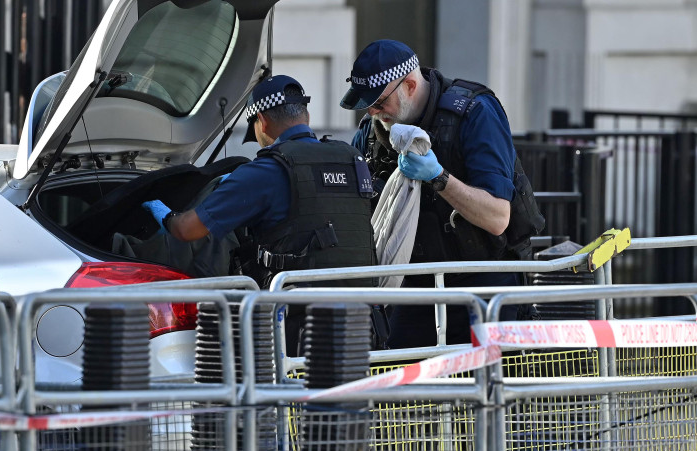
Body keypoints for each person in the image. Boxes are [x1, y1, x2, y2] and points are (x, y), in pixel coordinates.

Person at [340, 39, 544, 349]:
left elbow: (498, 217)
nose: (372, 111)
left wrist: (439, 178)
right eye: (367, 104)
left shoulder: (475, 113)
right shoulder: (372, 131)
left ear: (409, 85)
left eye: (379, 102)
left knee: (489, 394)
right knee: (402, 390)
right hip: (415, 287)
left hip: (484, 281)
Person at [143, 75, 377, 290]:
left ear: (262, 122)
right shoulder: (351, 159)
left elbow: (187, 229)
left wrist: (161, 212)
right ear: (306, 116)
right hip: (363, 315)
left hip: (299, 321)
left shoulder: (267, 170)